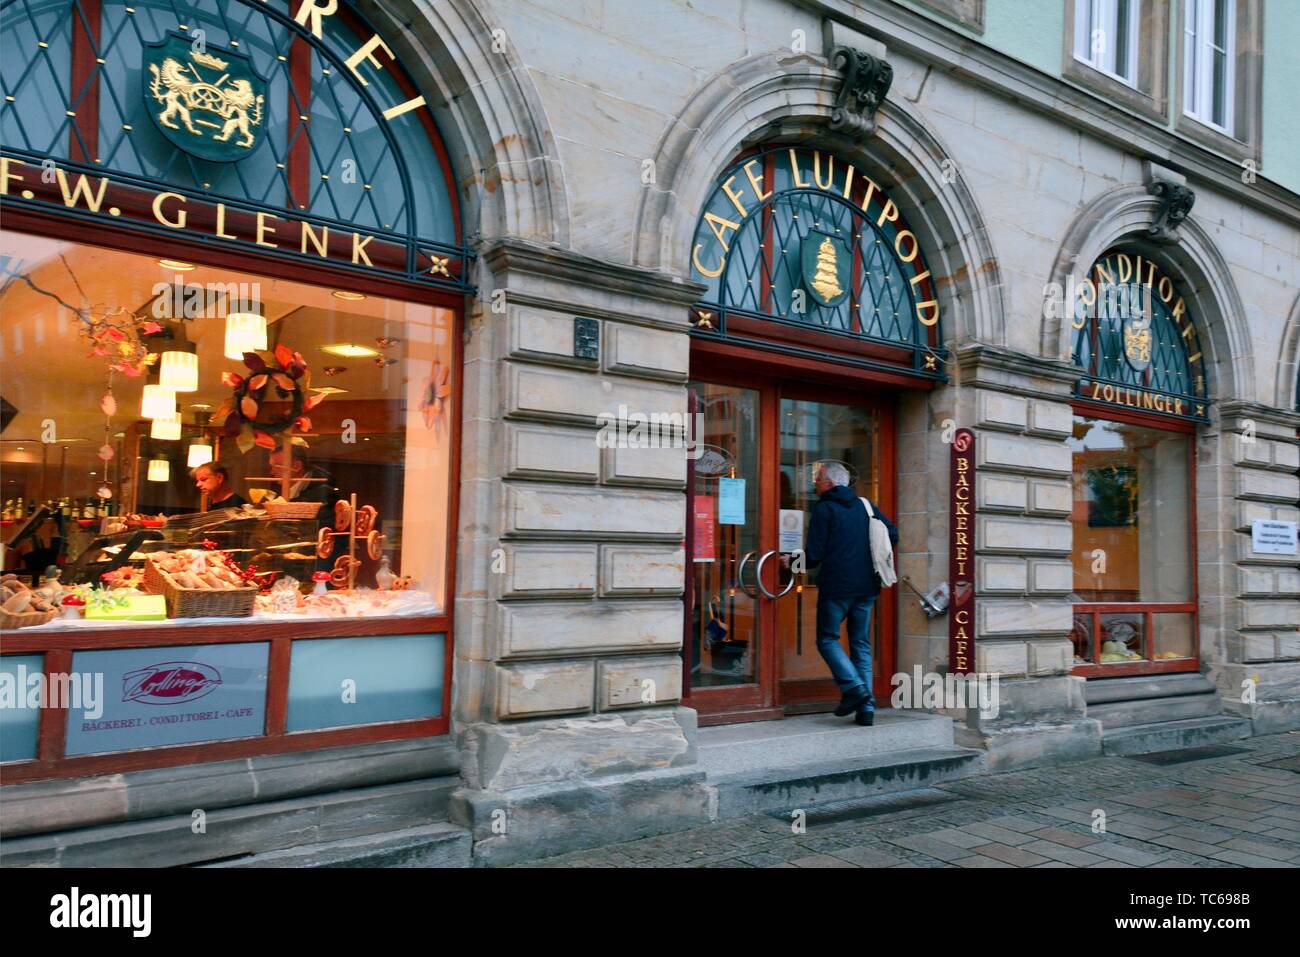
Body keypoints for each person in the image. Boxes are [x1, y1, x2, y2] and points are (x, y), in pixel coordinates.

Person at [798, 461, 898, 727]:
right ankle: (866, 709)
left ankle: (853, 687)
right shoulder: (865, 506)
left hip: (837, 587)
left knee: (827, 639)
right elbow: (893, 534)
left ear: (830, 483)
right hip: (867, 587)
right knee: (860, 644)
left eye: (818, 478)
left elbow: (814, 556)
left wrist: (792, 562)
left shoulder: (824, 509)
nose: (815, 483)